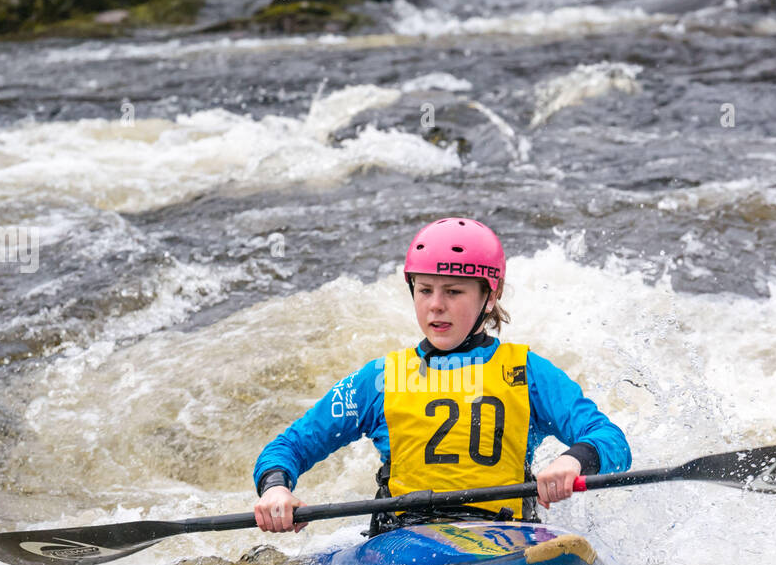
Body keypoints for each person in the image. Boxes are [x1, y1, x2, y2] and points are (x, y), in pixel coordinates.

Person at [253, 217, 631, 534]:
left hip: (503, 539)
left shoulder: (526, 373)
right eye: (425, 290)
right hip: (405, 540)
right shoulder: (380, 379)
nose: (436, 305)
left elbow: (609, 438)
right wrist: (275, 490)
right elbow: (289, 447)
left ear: (490, 295)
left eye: (453, 291)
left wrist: (573, 461)